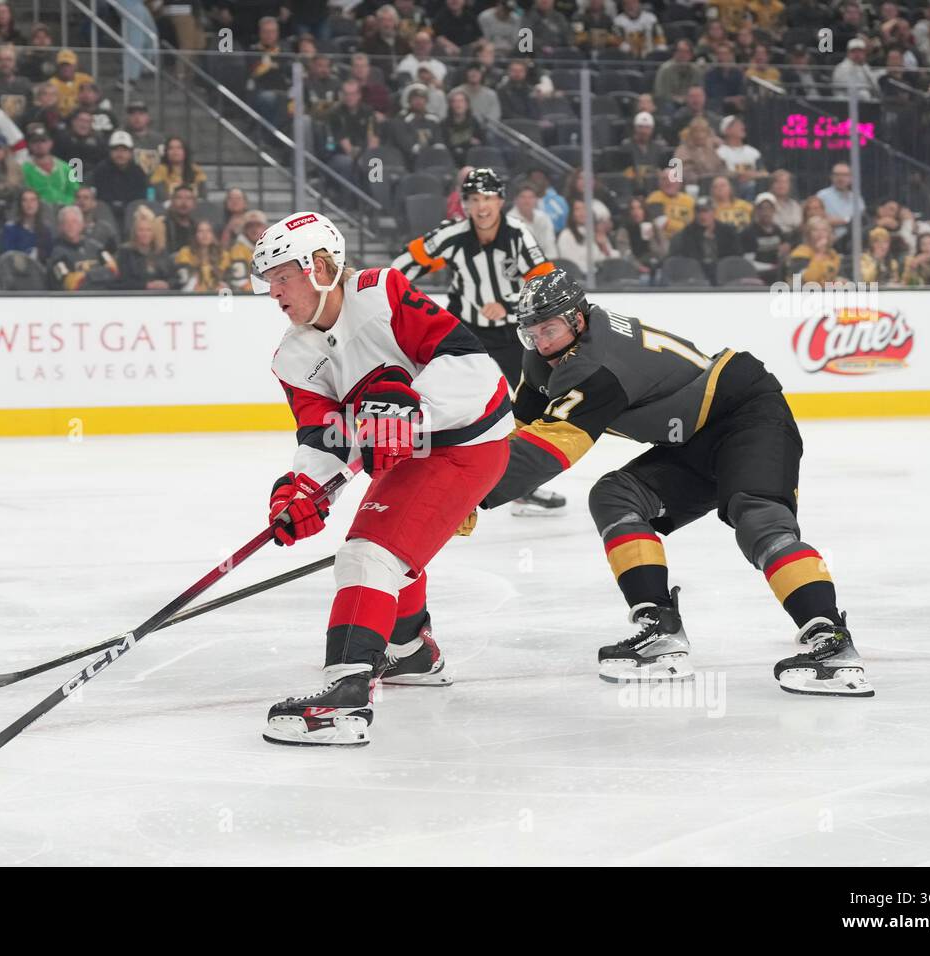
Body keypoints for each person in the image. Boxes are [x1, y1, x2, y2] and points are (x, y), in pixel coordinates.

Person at [477, 269, 873, 696]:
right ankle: (660, 630)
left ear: (578, 318)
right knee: (616, 496)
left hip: (747, 415)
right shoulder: (547, 357)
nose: (541, 343)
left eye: (549, 329)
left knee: (760, 519)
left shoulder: (595, 365)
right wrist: (463, 468)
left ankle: (831, 643)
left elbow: (549, 449)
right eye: (531, 334)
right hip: (691, 437)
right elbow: (520, 429)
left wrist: (465, 494)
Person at [250, 211, 513, 745]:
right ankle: (412, 652)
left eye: (282, 276)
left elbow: (475, 368)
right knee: (387, 544)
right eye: (268, 280)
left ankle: (345, 698)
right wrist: (306, 491)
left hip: (467, 442)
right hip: (413, 455)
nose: (272, 291)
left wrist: (411, 410)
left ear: (320, 266)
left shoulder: (380, 293)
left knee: (367, 554)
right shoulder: (293, 357)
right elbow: (325, 440)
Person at [392, 167, 566, 516]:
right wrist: (404, 309)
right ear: (465, 204)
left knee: (528, 404)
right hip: (463, 334)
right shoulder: (452, 235)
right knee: (448, 402)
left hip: (512, 332)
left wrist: (509, 304)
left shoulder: (519, 234)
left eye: (488, 198)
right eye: (473, 199)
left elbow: (545, 284)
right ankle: (431, 479)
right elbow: (400, 270)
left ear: (501, 200)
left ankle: (521, 485)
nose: (481, 206)